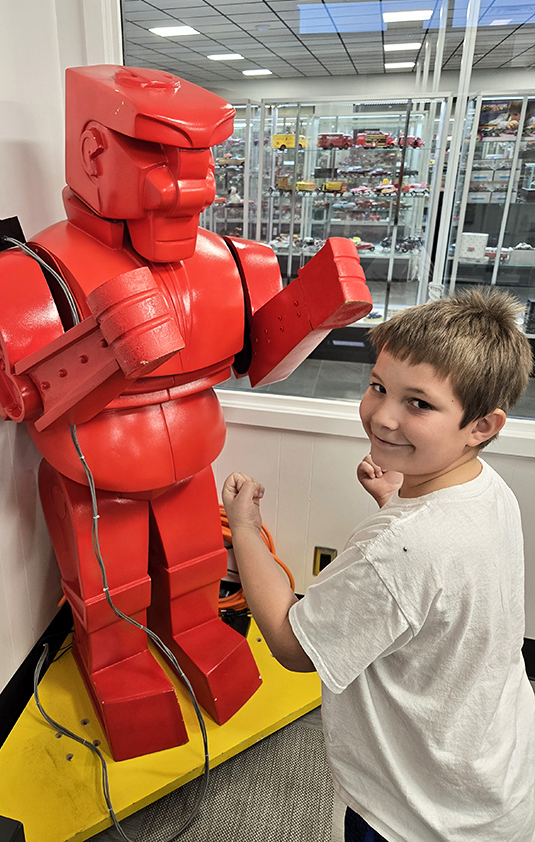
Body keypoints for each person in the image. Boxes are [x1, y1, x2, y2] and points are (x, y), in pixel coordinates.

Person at [222, 287, 535, 842]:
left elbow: (293, 647)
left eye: (419, 403)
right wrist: (396, 498)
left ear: (482, 426)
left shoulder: (397, 553)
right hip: (491, 775)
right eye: (378, 387)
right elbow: (442, 561)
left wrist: (244, 529)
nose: (381, 416)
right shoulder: (488, 489)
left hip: (413, 814)